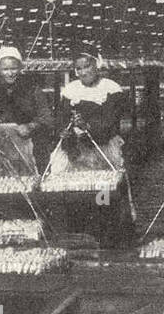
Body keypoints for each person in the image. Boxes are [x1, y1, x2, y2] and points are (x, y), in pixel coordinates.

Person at [49, 48, 136, 247]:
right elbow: (61, 118)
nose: (82, 72)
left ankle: (105, 231)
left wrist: (87, 126)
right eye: (78, 69)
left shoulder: (110, 88)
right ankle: (79, 232)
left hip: (102, 147)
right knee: (74, 189)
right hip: (77, 150)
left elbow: (110, 121)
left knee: (103, 190)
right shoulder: (71, 90)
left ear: (96, 65)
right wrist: (65, 129)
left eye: (86, 66)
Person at [0, 46, 53, 179]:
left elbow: (46, 116)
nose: (10, 73)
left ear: (20, 68)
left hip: (27, 144)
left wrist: (31, 126)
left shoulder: (32, 89)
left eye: (13, 68)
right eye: (5, 69)